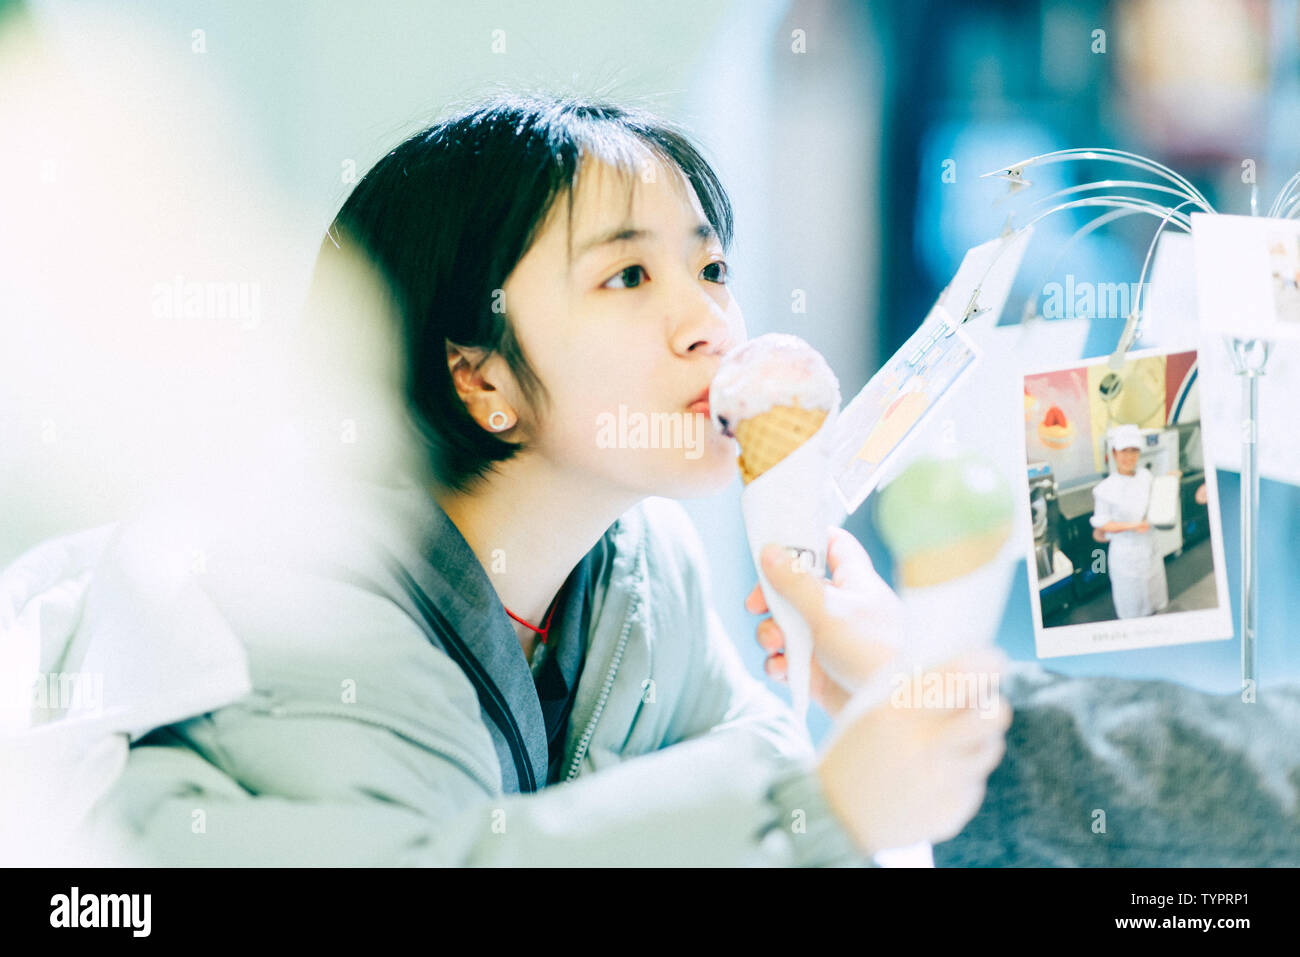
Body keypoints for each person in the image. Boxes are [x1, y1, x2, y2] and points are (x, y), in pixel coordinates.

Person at [61, 92, 1009, 866]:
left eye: (711, 264)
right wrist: (821, 807)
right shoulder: (304, 590)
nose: (711, 322)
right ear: (480, 377)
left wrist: (882, 699)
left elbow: (749, 750)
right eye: (628, 277)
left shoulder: (639, 559)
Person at [1090, 423, 1170, 619]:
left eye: (1134, 451)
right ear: (1115, 454)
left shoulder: (1145, 476)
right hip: (1125, 555)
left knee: (1154, 598)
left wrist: (1169, 482)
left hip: (1149, 547)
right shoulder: (1105, 489)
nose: (1129, 457)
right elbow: (1102, 525)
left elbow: (1154, 501)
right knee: (1132, 606)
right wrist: (1134, 526)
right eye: (1124, 452)